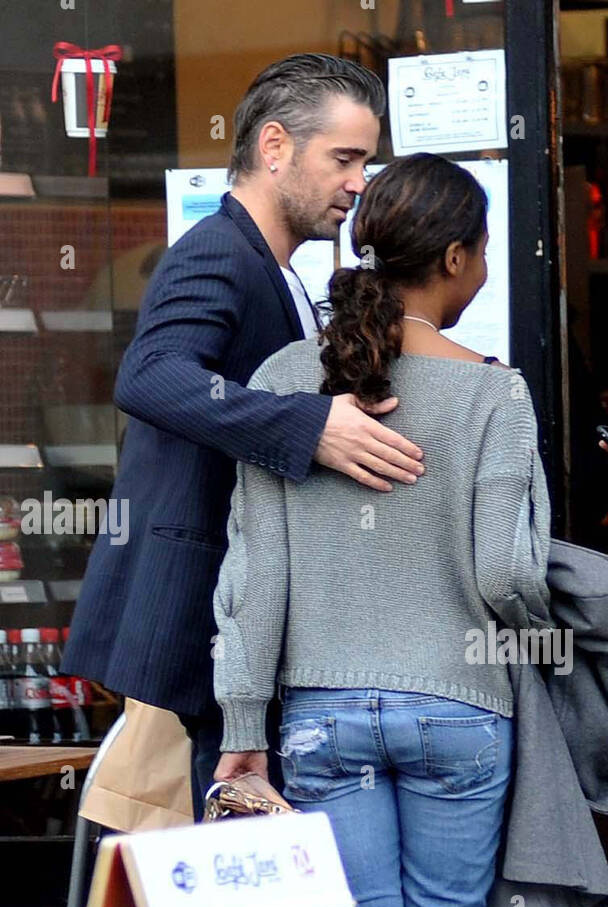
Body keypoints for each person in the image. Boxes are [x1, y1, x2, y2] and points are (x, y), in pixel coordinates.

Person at [211, 153, 551, 907]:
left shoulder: (280, 374)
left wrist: (242, 731)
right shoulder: (495, 390)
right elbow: (507, 578)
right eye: (483, 249)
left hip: (318, 713)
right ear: (455, 259)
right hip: (459, 704)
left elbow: (252, 583)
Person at [61, 54, 425, 817]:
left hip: (230, 634)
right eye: (344, 158)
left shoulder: (271, 264)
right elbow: (151, 377)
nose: (359, 183)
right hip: (200, 628)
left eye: (366, 161)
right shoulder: (215, 253)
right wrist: (309, 426)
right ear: (273, 147)